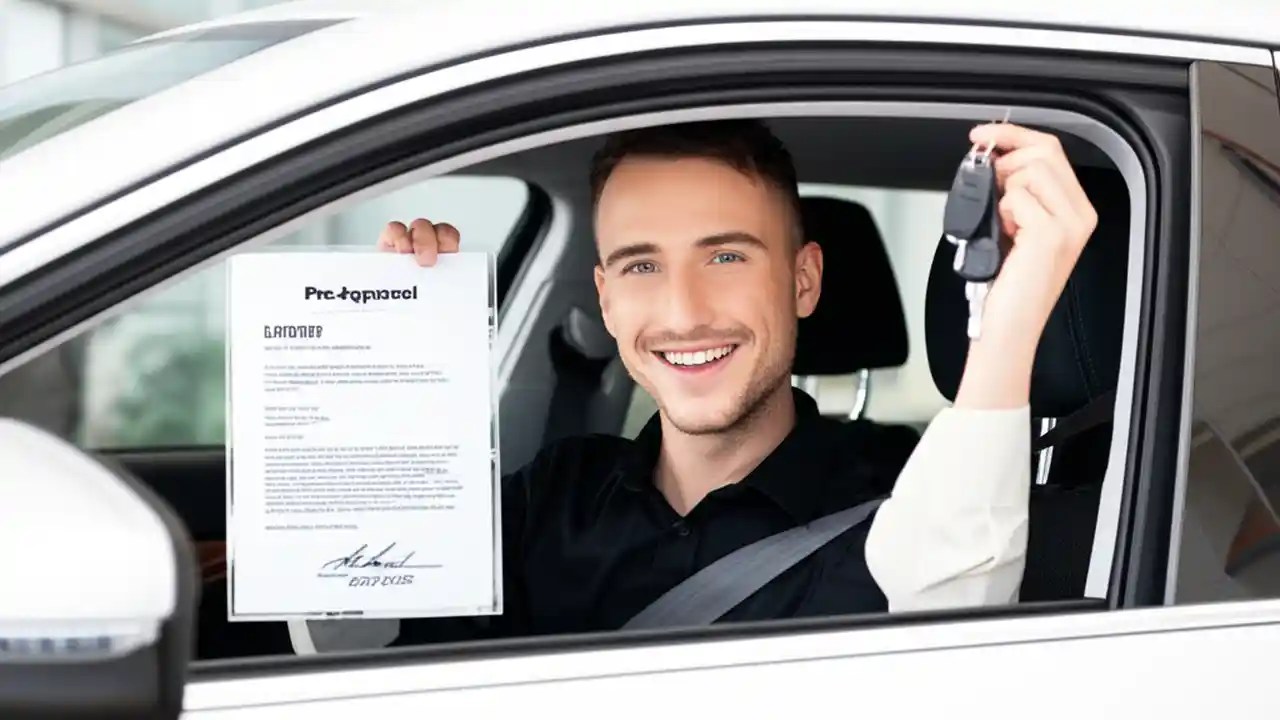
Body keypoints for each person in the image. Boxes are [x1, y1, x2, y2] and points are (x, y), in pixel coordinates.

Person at [378, 118, 1098, 640]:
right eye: (641, 266)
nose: (684, 314)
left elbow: (960, 627)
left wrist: (1012, 320)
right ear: (605, 299)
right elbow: (364, 651)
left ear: (804, 280)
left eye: (725, 258)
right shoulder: (548, 496)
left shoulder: (908, 499)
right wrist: (387, 368)